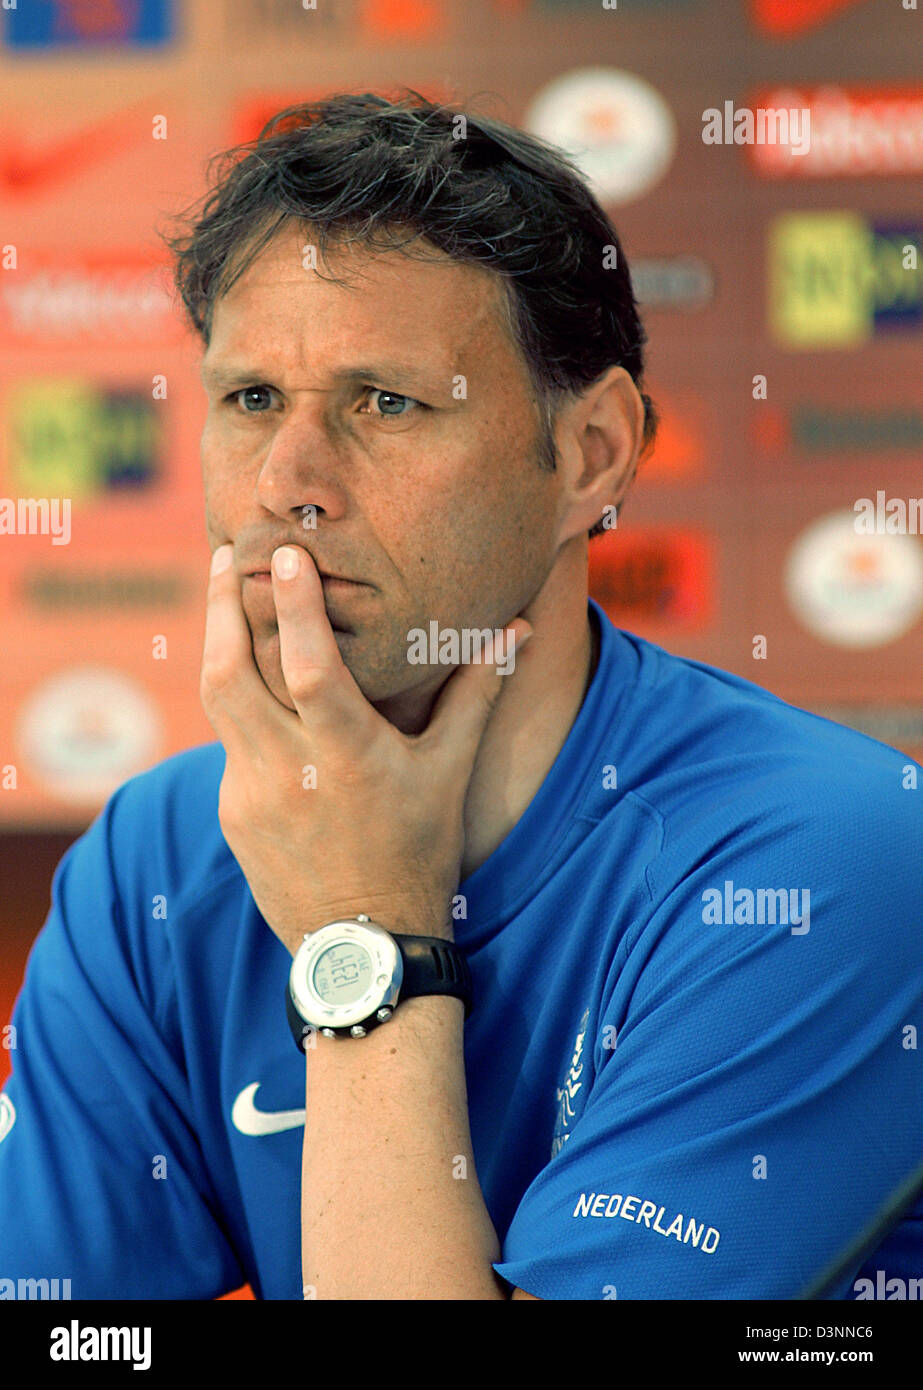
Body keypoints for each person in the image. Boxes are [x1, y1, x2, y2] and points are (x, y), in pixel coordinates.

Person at [1, 91, 920, 1302]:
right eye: (252, 400)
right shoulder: (159, 855)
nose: (291, 484)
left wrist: (364, 936)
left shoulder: (830, 858)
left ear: (589, 454)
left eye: (386, 401)